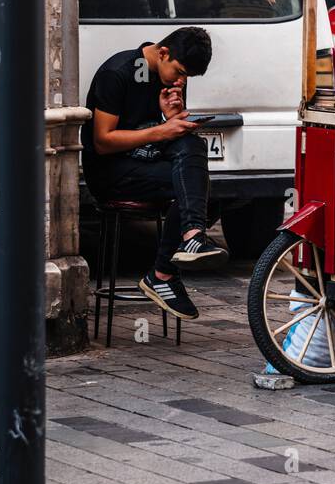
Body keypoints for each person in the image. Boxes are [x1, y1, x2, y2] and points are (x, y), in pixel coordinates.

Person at [81, 27, 227, 322]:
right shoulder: (117, 73)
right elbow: (102, 142)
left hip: (148, 163)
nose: (181, 81)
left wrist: (171, 117)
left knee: (192, 148)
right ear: (163, 53)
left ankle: (186, 242)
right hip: (112, 172)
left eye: (187, 78)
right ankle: (166, 270)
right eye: (180, 72)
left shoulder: (172, 76)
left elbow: (169, 136)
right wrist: (161, 130)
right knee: (194, 187)